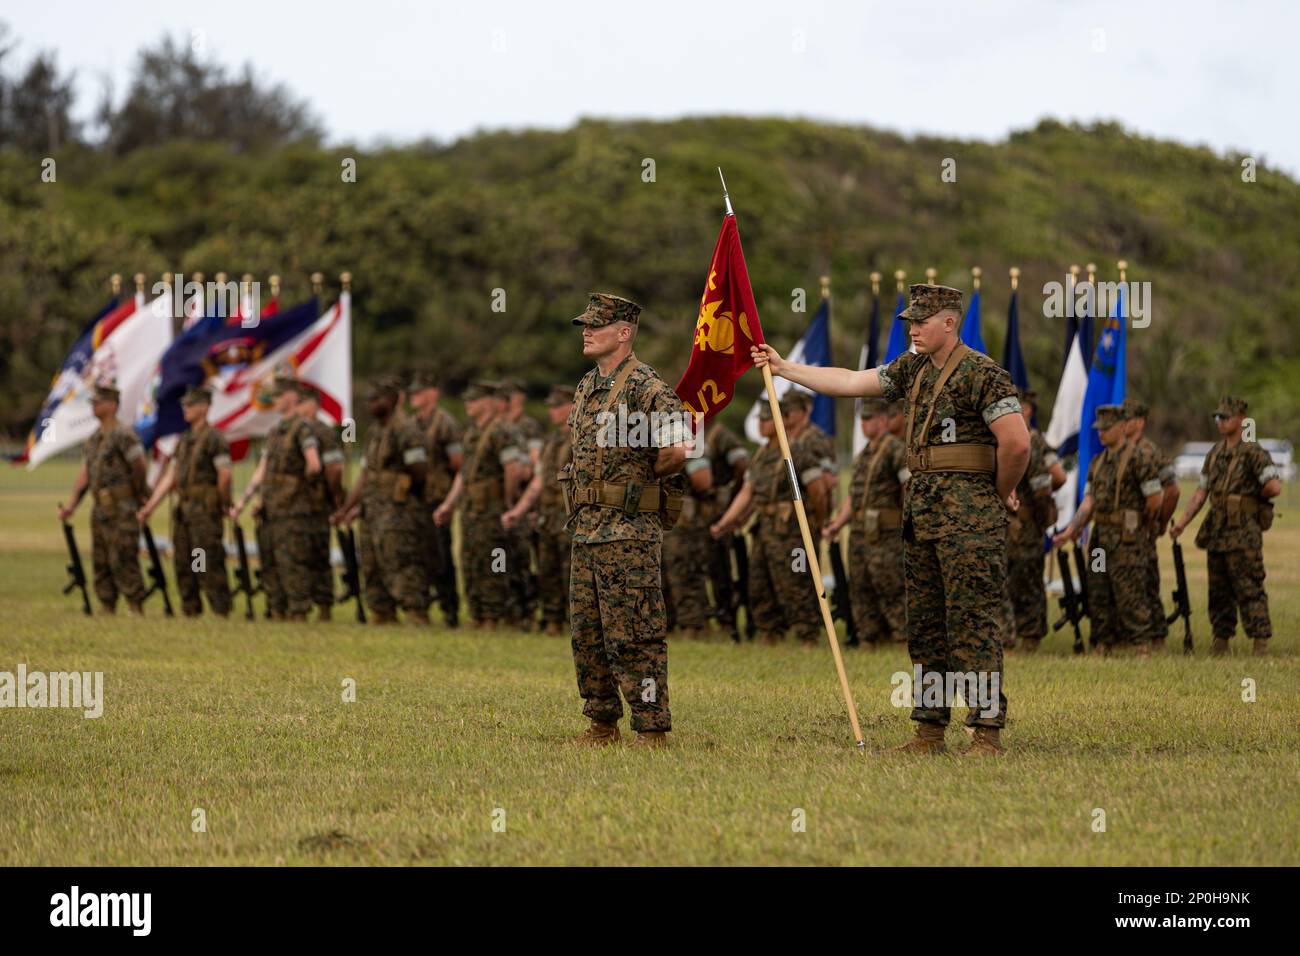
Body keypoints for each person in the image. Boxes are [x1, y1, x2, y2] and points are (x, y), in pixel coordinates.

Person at [752, 283, 1029, 756]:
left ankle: (986, 732)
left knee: (972, 622)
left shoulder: (984, 374)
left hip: (968, 519)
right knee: (925, 625)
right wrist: (784, 369)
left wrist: (999, 492)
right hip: (921, 515)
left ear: (949, 322)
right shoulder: (911, 370)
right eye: (910, 322)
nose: (914, 329)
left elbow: (1017, 443)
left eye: (922, 321)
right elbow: (850, 382)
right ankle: (929, 730)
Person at [563, 292, 690, 748]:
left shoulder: (646, 387)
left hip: (628, 532)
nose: (587, 332)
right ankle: (601, 723)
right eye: (585, 325)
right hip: (587, 528)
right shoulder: (586, 386)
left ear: (624, 332)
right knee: (589, 632)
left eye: (596, 325)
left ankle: (651, 727)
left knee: (635, 631)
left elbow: (678, 446)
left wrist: (636, 483)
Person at [711, 393, 830, 645]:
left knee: (796, 584)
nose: (762, 425)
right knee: (759, 584)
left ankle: (808, 635)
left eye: (767, 419)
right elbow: (748, 492)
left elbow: (818, 490)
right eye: (760, 420)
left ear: (782, 421)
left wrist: (819, 523)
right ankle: (770, 632)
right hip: (765, 532)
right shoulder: (761, 455)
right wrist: (725, 523)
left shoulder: (797, 452)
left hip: (792, 536)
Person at [1170, 396, 1281, 656]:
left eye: (1225, 417)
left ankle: (1259, 644)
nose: (1220, 422)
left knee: (1249, 586)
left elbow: (1274, 486)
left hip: (1243, 532)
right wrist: (1182, 523)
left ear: (1241, 419)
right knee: (1218, 589)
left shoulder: (1254, 452)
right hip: (1218, 531)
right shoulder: (1215, 453)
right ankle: (1220, 642)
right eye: (1217, 417)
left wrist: (1250, 500)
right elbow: (1201, 492)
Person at [1054, 404, 1163, 654]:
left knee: (1130, 592)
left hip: (1127, 541)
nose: (1101, 433)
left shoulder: (1139, 458)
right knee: (1099, 590)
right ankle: (1104, 643)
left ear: (1123, 427)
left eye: (1107, 428)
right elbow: (1089, 501)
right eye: (1099, 429)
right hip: (1101, 540)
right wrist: (1072, 529)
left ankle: (1141, 645)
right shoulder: (1097, 462)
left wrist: (1141, 524)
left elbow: (1155, 499)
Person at [333, 376, 430, 625]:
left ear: (392, 400)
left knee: (401, 559)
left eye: (376, 400)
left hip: (399, 509)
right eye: (369, 400)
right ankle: (383, 612)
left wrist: (405, 498)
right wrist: (347, 508)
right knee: (372, 561)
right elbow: (366, 474)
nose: (371, 405)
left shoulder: (406, 430)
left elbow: (419, 471)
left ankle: (415, 611)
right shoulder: (375, 431)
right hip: (373, 508)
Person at [435, 381, 528, 629]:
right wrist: (448, 504)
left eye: (473, 400)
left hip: (492, 508)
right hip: (472, 509)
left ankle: (493, 614)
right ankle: (477, 612)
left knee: (494, 561)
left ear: (488, 402)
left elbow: (514, 469)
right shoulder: (471, 432)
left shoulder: (501, 431)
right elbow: (464, 474)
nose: (468, 405)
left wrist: (507, 498)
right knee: (471, 559)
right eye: (467, 400)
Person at [231, 373, 322, 621]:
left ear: (292, 397)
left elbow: (314, 464)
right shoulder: (275, 431)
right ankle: (278, 609)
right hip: (272, 508)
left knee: (293, 561)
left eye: (280, 395)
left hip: (293, 509)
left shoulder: (302, 428)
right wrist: (243, 501)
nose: (276, 400)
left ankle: (299, 611)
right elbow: (262, 468)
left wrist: (295, 486)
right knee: (271, 562)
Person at [137, 385, 233, 618]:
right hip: (184, 511)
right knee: (184, 560)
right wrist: (149, 507)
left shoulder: (214, 438)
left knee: (205, 559)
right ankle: (191, 608)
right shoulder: (185, 439)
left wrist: (222, 502)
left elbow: (225, 474)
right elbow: (172, 475)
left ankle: (220, 610)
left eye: (190, 405)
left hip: (204, 511)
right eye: (185, 405)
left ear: (204, 407)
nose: (185, 409)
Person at [57, 381, 149, 615]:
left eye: (98, 402)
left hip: (122, 507)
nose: (93, 406)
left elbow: (139, 466)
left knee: (124, 555)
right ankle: (107, 605)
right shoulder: (95, 438)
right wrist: (72, 505)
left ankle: (134, 605)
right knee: (101, 559)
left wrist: (138, 495)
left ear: (112, 405)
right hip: (100, 508)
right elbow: (86, 474)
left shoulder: (124, 435)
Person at [823, 398, 908, 647]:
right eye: (862, 419)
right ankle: (868, 638)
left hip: (886, 532)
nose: (864, 424)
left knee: (891, 585)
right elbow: (853, 496)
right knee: (860, 586)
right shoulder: (863, 455)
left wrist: (907, 522)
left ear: (883, 420)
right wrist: (837, 524)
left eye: (869, 419)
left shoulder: (895, 449)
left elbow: (908, 487)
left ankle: (902, 637)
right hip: (860, 532)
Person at [503, 385, 574, 635]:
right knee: (547, 570)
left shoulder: (582, 437)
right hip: (549, 517)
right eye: (550, 407)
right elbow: (540, 479)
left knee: (572, 573)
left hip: (571, 517)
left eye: (557, 406)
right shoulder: (552, 440)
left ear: (572, 406)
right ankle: (553, 620)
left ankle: (575, 622)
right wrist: (520, 510)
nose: (552, 412)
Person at [1005, 388, 1066, 653]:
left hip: (1026, 526)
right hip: (1005, 526)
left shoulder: (1033, 442)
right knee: (1004, 581)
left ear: (1026, 409)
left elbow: (1053, 481)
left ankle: (1030, 636)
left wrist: (1040, 521)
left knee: (1028, 579)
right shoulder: (1003, 438)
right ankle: (1009, 633)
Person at [1121, 398, 1179, 650]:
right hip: (1117, 533)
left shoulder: (1150, 452)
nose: (1123, 423)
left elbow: (1173, 490)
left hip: (1141, 530)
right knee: (1119, 582)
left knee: (1146, 582)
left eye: (1128, 419)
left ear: (1140, 422)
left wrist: (1159, 522)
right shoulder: (1117, 450)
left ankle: (1157, 637)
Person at [409, 371, 463, 627]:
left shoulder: (445, 424)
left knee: (442, 555)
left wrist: (448, 498)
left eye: (419, 392)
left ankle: (449, 606)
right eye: (413, 393)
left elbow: (457, 463)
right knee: (421, 555)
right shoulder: (412, 424)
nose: (414, 397)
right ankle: (423, 604)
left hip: (438, 498)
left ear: (433, 394)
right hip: (416, 500)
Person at [296, 382, 346, 622]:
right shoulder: (297, 430)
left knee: (318, 553)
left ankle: (324, 605)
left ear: (312, 405)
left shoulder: (323, 431)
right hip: (298, 504)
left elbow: (335, 467)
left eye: (301, 403)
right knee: (301, 554)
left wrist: (333, 494)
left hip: (316, 504)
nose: (297, 408)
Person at [502, 378, 543, 629]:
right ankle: (511, 607)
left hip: (526, 498)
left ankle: (528, 609)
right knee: (505, 558)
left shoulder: (528, 426)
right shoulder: (501, 426)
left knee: (525, 556)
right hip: (508, 498)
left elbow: (533, 464)